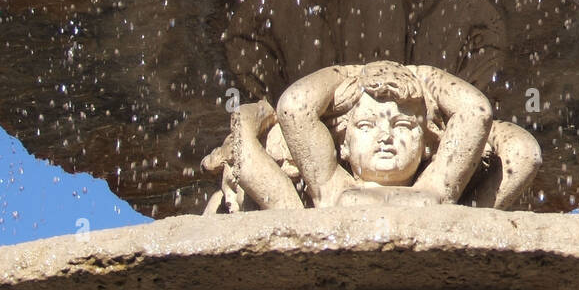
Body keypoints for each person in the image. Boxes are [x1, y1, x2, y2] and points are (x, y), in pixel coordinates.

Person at [201, 60, 540, 212]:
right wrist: (354, 76)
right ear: (342, 146)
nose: (385, 136)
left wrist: (419, 78)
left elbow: (490, 123)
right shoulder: (328, 189)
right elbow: (293, 107)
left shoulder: (440, 188)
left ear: (427, 148)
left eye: (404, 126)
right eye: (365, 126)